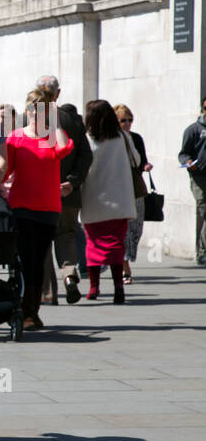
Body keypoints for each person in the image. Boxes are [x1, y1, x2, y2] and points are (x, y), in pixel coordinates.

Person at [0, 88, 72, 328]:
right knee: (26, 259)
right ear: (27, 112)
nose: (38, 116)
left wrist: (54, 121)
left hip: (48, 208)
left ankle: (32, 311)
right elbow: (8, 169)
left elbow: (65, 148)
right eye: (34, 112)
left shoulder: (53, 137)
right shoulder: (15, 137)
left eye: (43, 112)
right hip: (21, 206)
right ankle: (24, 310)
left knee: (40, 260)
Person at [35, 78, 92, 306]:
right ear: (58, 93)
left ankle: (48, 293)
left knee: (43, 241)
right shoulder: (72, 120)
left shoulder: (32, 119)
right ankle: (69, 275)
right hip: (68, 194)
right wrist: (71, 182)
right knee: (66, 235)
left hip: (40, 193)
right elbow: (86, 156)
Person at [78, 100, 137, 303]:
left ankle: (94, 287)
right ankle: (119, 287)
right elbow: (136, 160)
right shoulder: (122, 137)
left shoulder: (86, 139)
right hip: (119, 202)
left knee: (93, 244)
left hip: (93, 201)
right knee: (116, 245)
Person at [114, 104, 152, 284]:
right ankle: (124, 266)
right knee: (125, 229)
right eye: (123, 120)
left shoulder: (136, 138)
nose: (127, 123)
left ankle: (124, 260)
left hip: (136, 187)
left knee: (136, 228)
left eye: (130, 120)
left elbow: (142, 160)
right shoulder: (112, 139)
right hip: (119, 188)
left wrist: (146, 166)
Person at [179, 96, 206, 266]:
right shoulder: (193, 130)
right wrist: (188, 162)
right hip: (199, 178)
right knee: (205, 211)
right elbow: (183, 153)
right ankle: (202, 252)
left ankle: (203, 251)